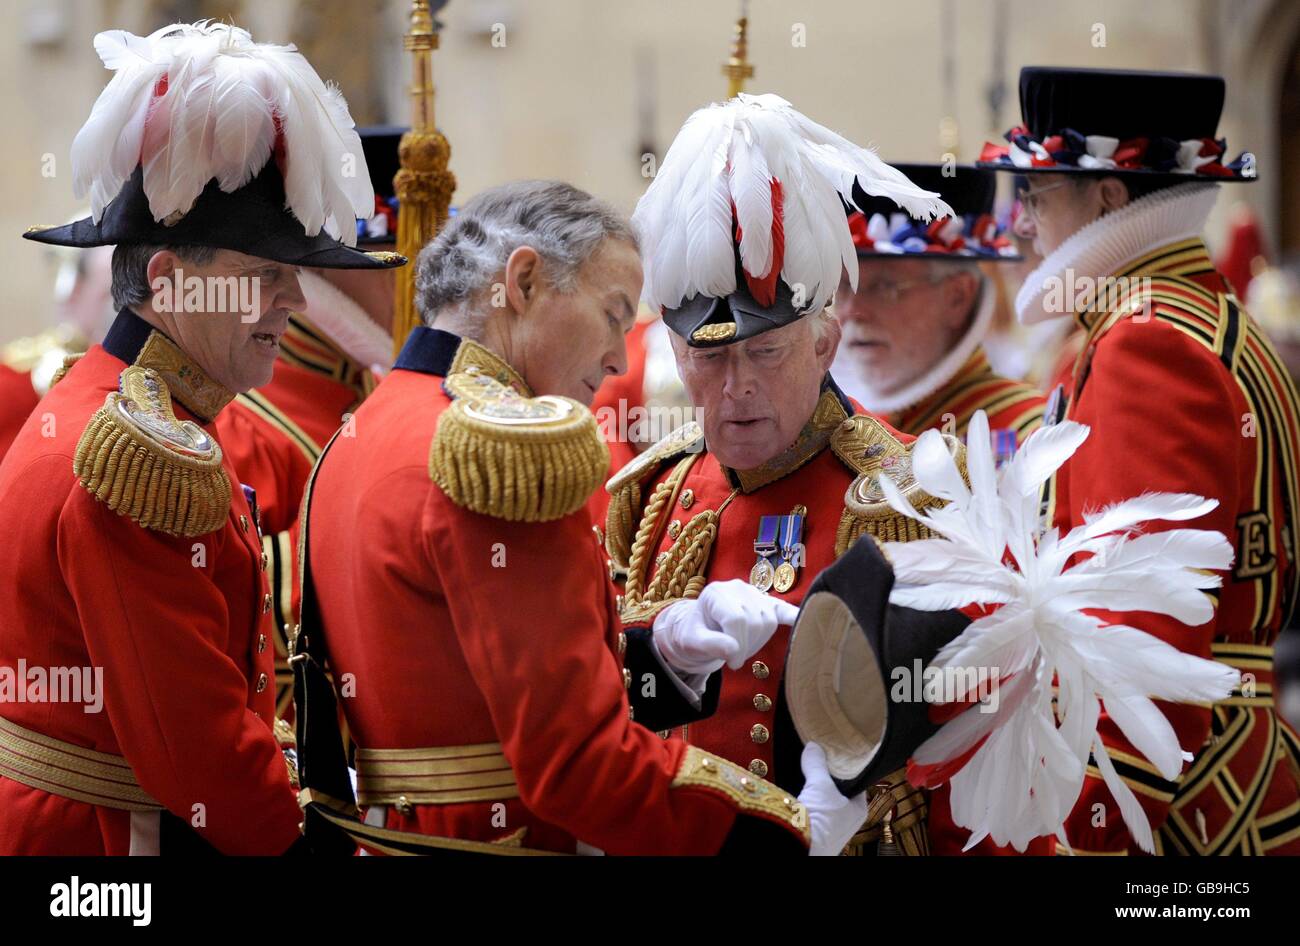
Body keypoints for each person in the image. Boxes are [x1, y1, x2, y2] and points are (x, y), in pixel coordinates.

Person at [299, 178, 865, 856]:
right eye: (613, 314)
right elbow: (578, 765)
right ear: (525, 282)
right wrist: (785, 832)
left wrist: (658, 654)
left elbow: (480, 675)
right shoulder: (504, 450)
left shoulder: (361, 429)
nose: (619, 358)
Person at [0, 21, 403, 855]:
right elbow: (197, 752)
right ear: (168, 280)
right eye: (264, 274)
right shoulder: (136, 453)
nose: (296, 300)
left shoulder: (123, 408)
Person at [606, 92, 966, 855]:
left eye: (766, 352)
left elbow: (965, 739)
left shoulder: (906, 491)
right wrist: (666, 654)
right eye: (708, 359)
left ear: (825, 342)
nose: (736, 388)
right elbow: (602, 700)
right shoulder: (653, 493)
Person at [979, 65, 1300, 854]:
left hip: (1179, 809)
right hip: (1222, 776)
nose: (1023, 222)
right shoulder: (1197, 314)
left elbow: (1142, 648)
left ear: (1108, 197)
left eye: (1037, 194)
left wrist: (1086, 832)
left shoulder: (1145, 344)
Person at [215, 127, 401, 718]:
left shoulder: (370, 387)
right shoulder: (243, 422)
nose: (417, 289)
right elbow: (223, 604)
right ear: (333, 270)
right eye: (398, 266)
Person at [831, 164, 1045, 461]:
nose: (853, 310)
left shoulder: (1030, 440)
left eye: (884, 287)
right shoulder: (839, 427)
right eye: (844, 286)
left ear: (958, 297)